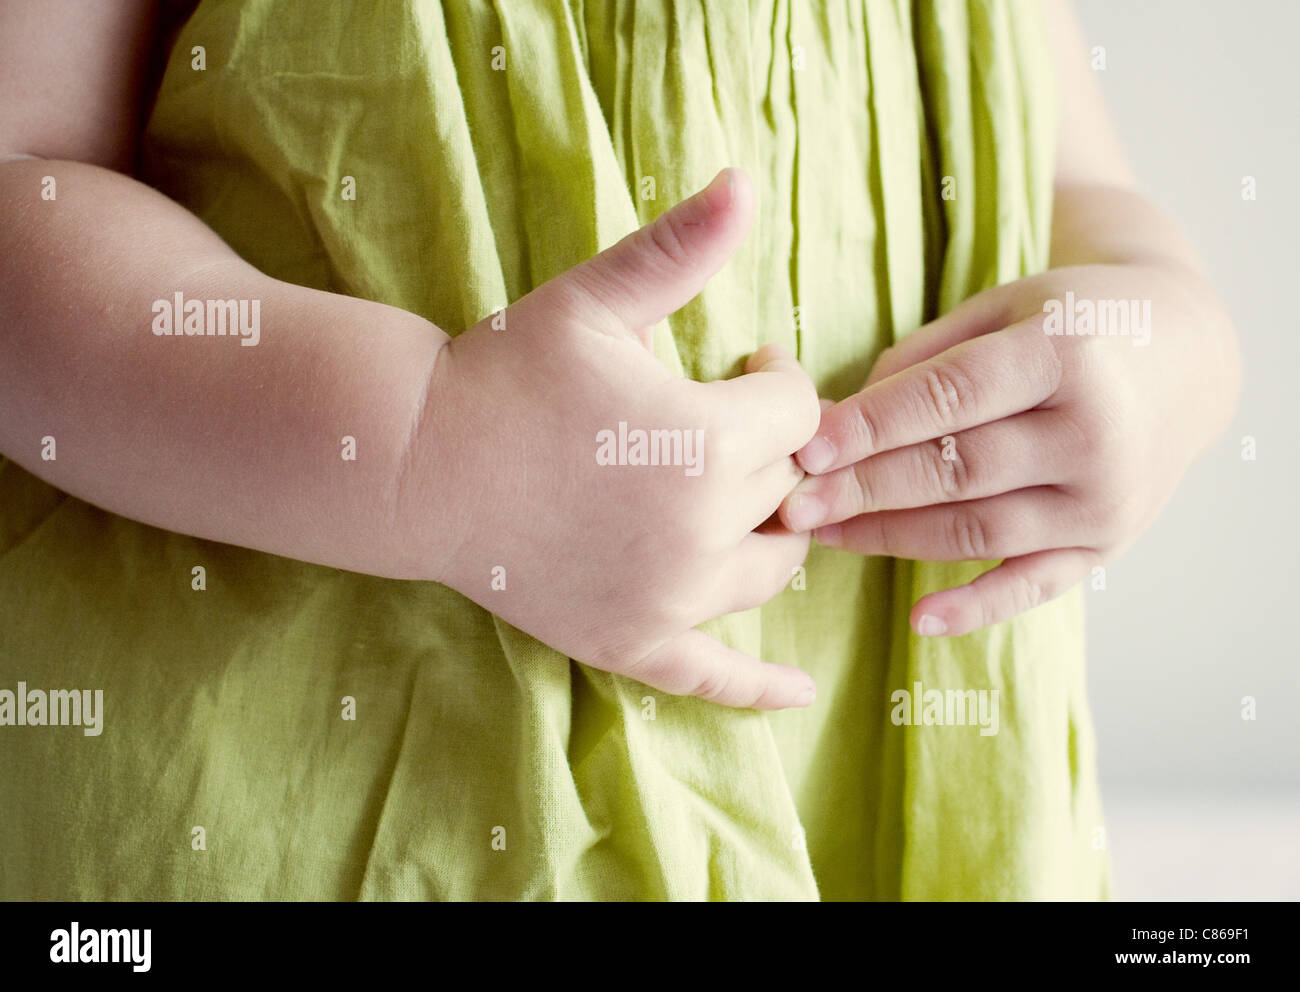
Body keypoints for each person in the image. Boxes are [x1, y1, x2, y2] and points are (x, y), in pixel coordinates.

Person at [0, 0, 1239, 900]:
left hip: (846, 799)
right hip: (321, 808)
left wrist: (1165, 344)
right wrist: (427, 450)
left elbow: (1077, 184)